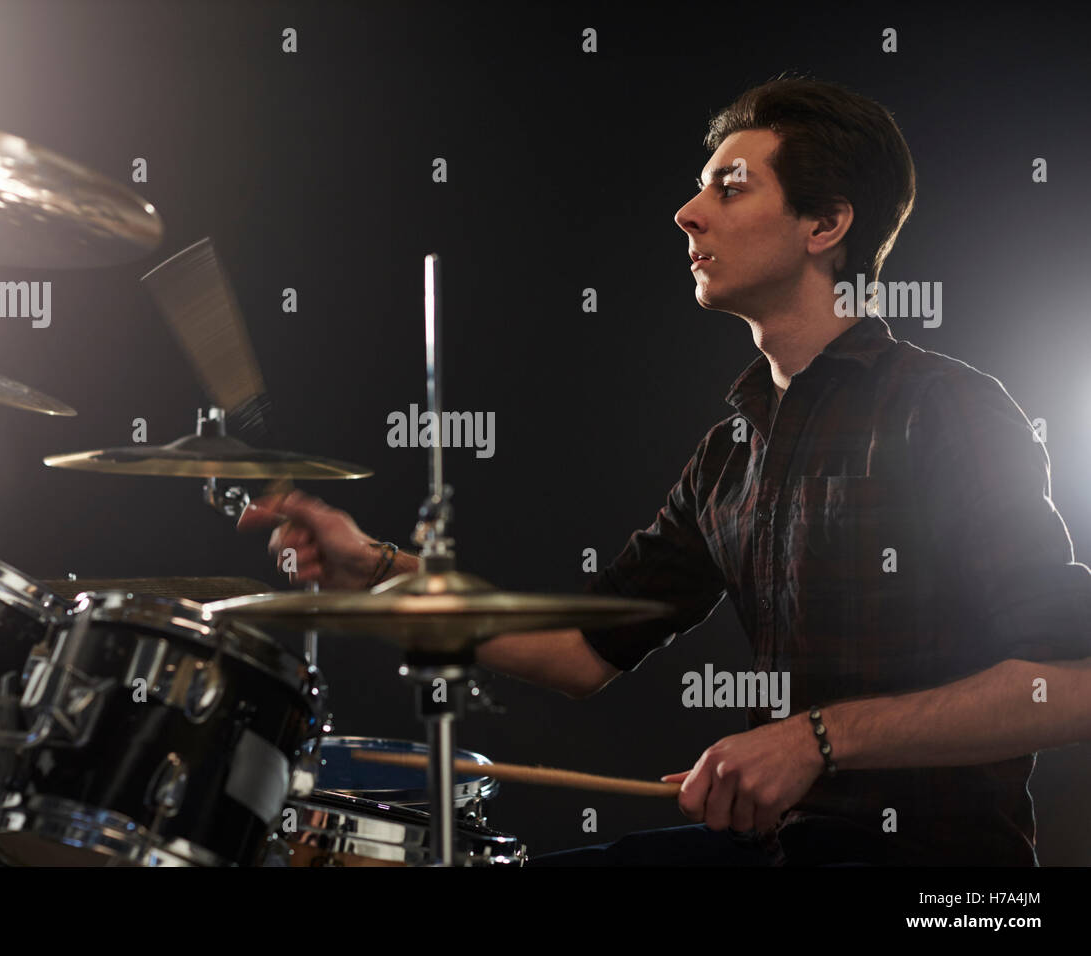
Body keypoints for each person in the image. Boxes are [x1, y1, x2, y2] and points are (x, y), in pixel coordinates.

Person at [238, 75, 1091, 865]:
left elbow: (1071, 685)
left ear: (825, 225)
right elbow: (580, 650)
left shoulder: (946, 409)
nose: (687, 213)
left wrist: (814, 740)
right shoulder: (730, 453)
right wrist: (378, 568)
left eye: (730, 187)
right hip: (783, 851)